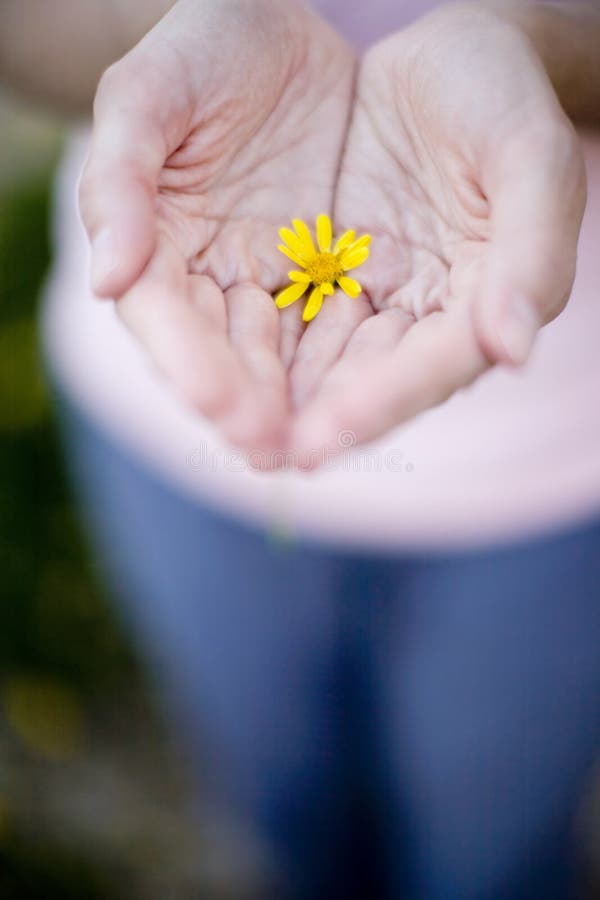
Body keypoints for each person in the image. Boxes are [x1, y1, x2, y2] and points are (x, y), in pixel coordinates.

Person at [4, 1, 600, 897]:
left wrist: (547, 50)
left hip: (560, 480)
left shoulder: (342, 263)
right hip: (174, 426)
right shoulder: (298, 269)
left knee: (494, 854)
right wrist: (167, 33)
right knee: (283, 810)